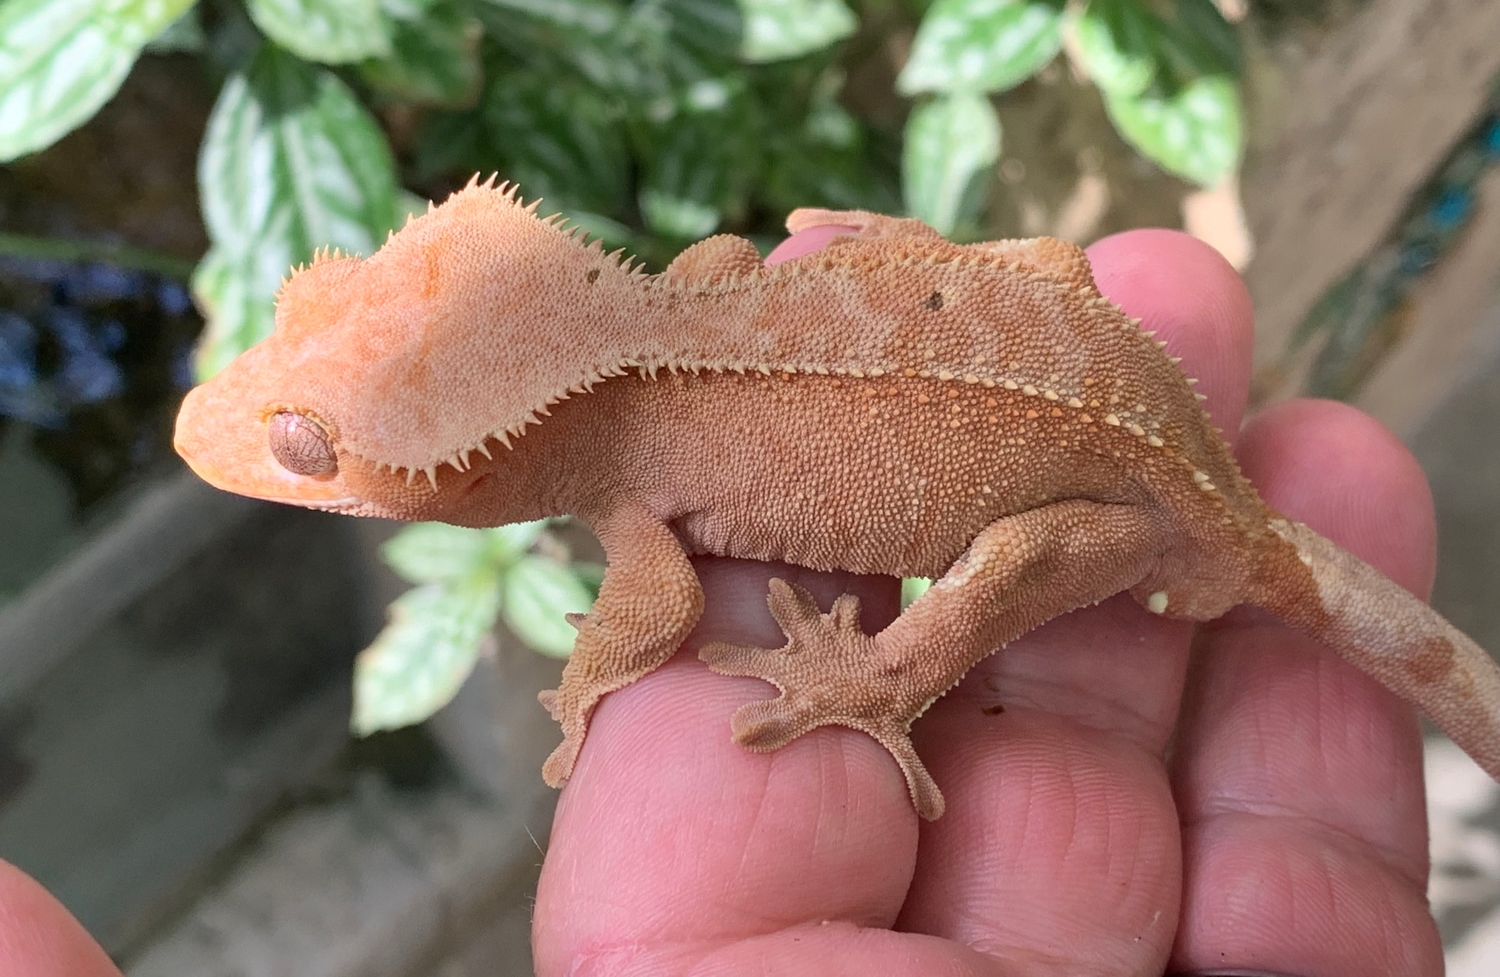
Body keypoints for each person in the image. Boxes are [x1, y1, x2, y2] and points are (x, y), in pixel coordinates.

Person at [2, 230, 1446, 976]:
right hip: (1064, 351)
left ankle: (884, 683)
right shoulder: (664, 308)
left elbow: (652, 609)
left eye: (307, 446)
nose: (241, 439)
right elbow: (721, 271)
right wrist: (904, 265)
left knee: (1011, 562)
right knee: (1055, 299)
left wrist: (603, 681)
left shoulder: (622, 477)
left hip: (1127, 500)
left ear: (471, 458)